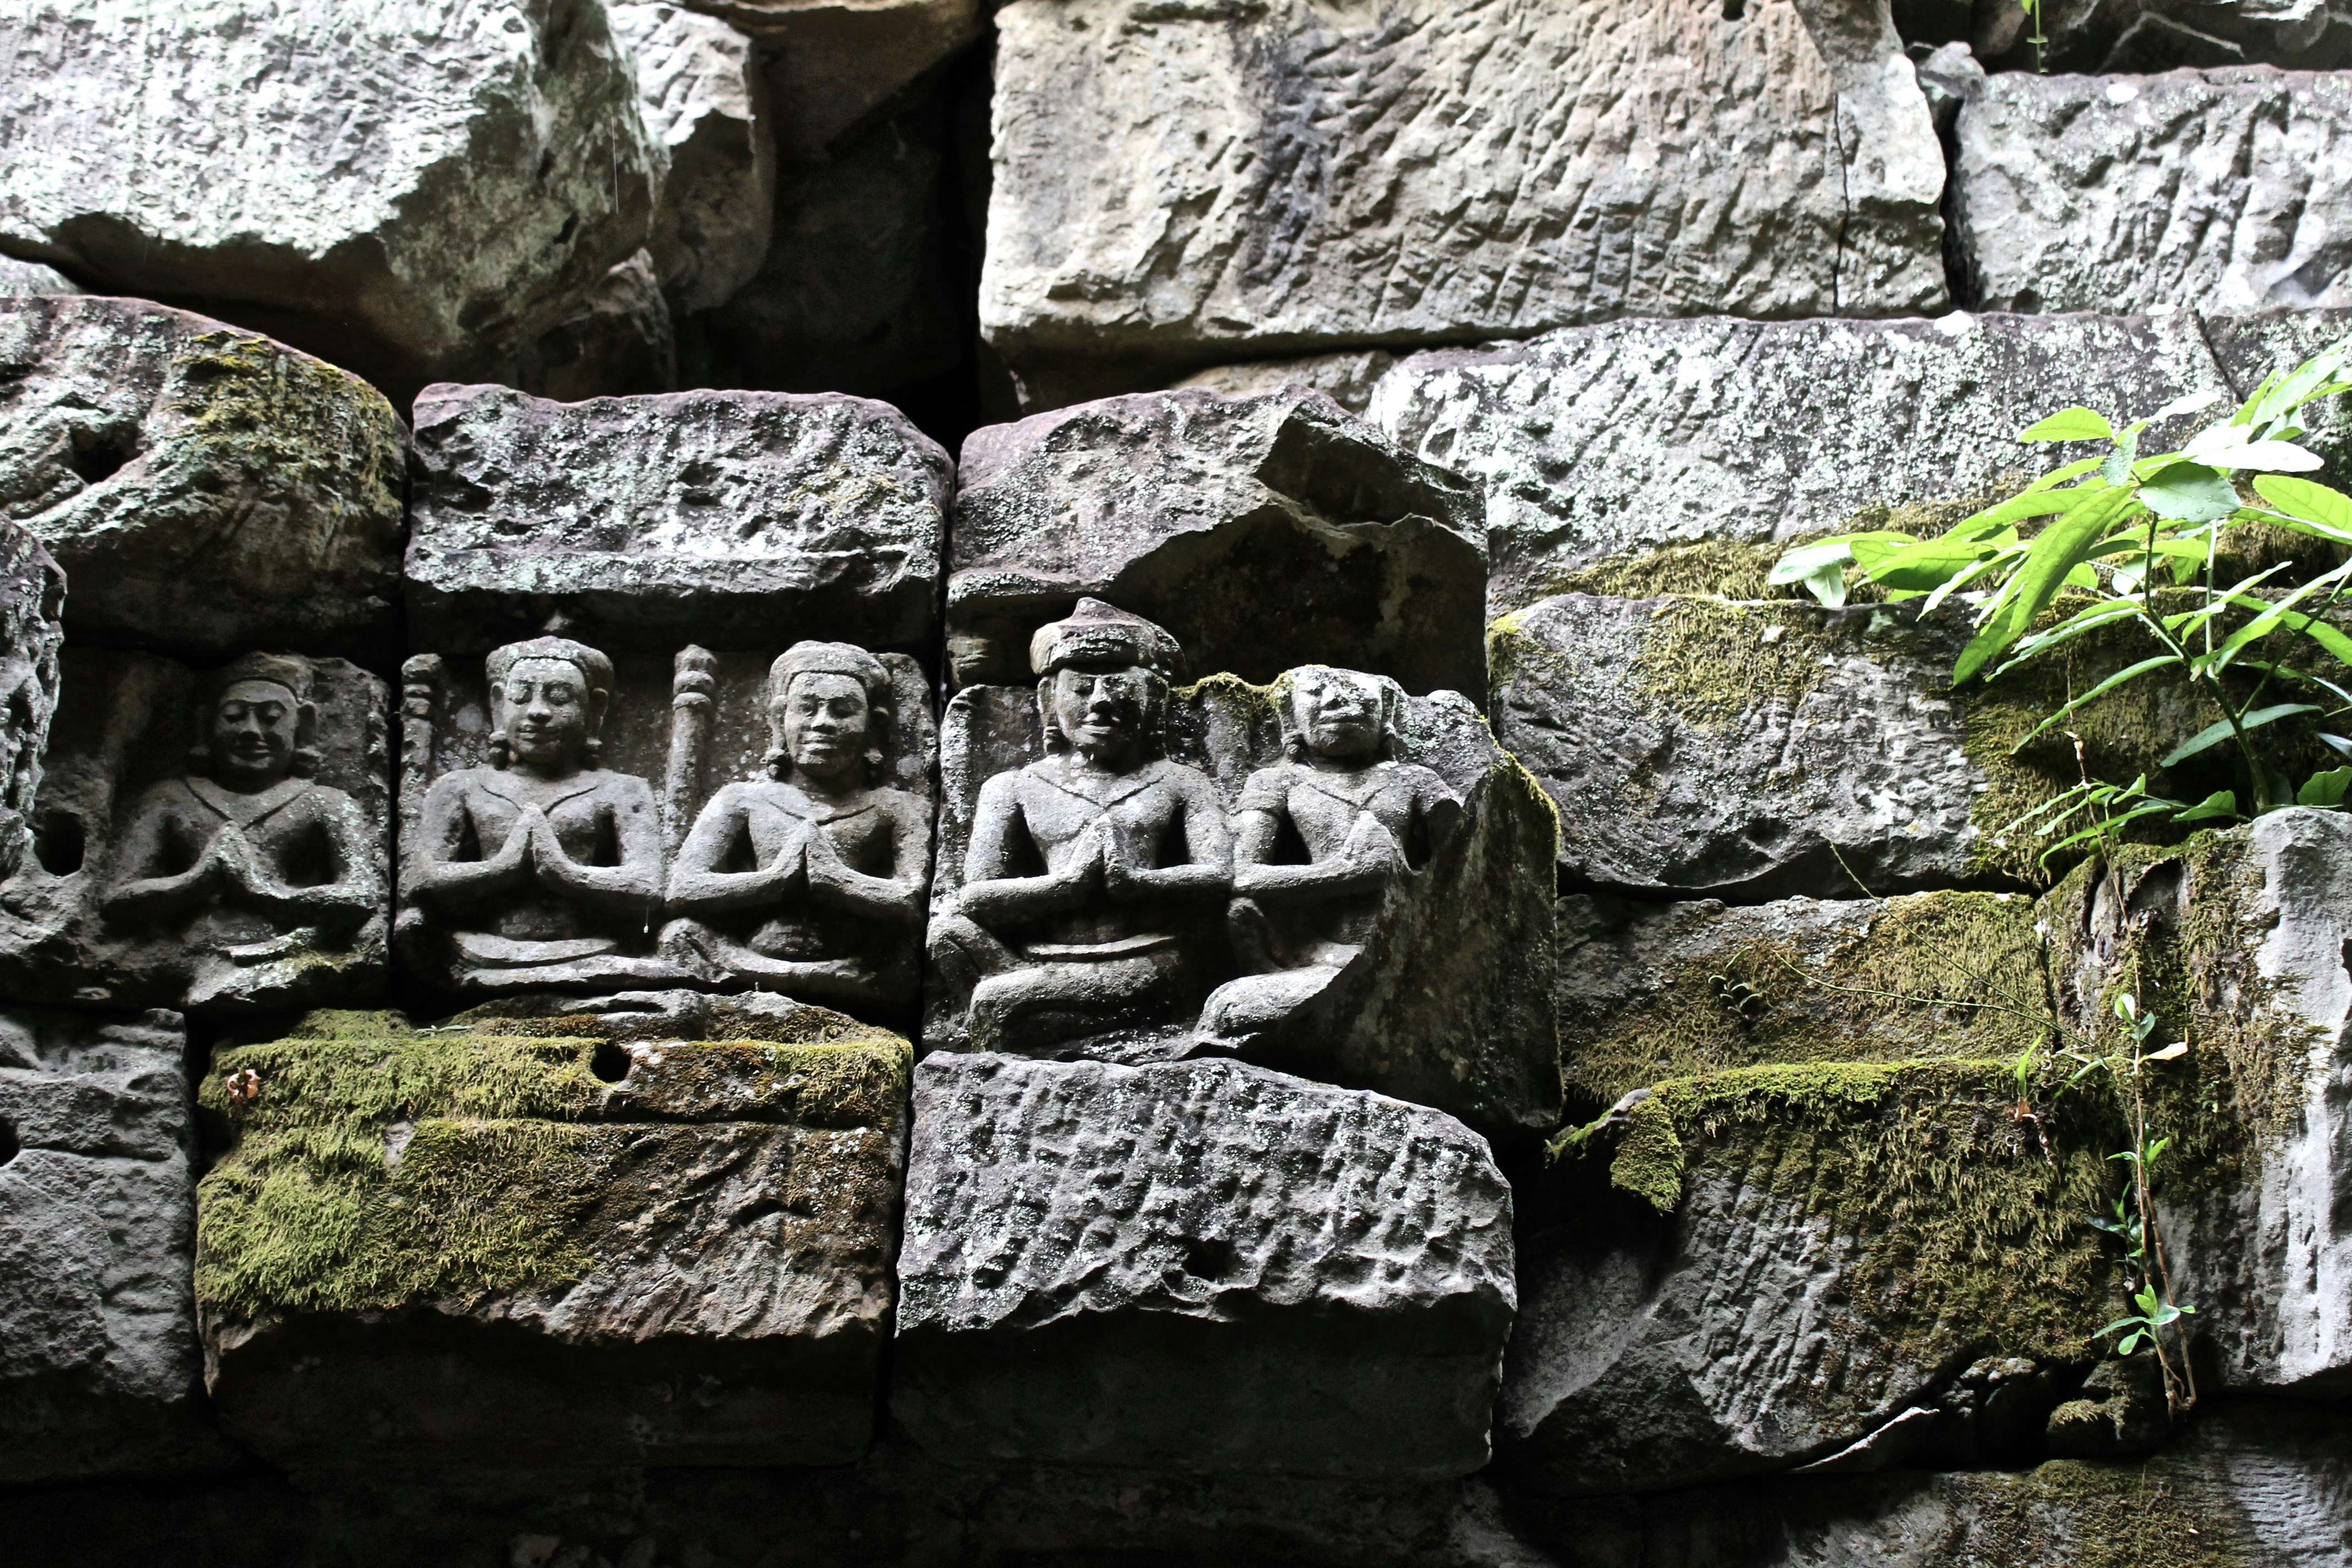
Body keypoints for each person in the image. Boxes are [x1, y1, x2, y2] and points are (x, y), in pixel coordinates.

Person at [929, 599, 1231, 1053]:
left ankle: (1048, 1018)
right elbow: (977, 894)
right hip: (1040, 954)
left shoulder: (1182, 783)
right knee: (945, 933)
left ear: (1153, 698)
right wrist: (1066, 886)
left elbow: (1219, 876)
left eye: (1118, 685)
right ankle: (1063, 1016)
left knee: (994, 1001)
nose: (1102, 702)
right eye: (1083, 688)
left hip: (1146, 953)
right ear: (1049, 700)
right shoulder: (1013, 787)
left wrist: (1136, 883)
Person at [1195, 665, 1459, 1050]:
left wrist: (1404, 873)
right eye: (1317, 693)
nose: (1338, 700)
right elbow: (1242, 877)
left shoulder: (1415, 780)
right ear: (1291, 718)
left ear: (1386, 714)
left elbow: (1462, 862)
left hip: (1405, 949)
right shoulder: (1275, 782)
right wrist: (1343, 873)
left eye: (1359, 693)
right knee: (1230, 1006)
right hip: (1318, 953)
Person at [661, 641, 930, 1013]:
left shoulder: (897, 806)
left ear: (873, 725)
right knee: (679, 936)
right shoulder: (742, 799)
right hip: (747, 959)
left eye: (843, 711)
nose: (822, 723)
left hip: (855, 966)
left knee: (911, 950)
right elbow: (682, 887)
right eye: (806, 708)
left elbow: (911, 898)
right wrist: (774, 881)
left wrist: (837, 881)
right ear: (779, 719)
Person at [399, 636, 676, 992]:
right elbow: (420, 880)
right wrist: (503, 869)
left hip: (591, 952)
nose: (539, 711)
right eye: (522, 696)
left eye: (559, 698)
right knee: (410, 927)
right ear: (498, 704)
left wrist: (565, 873)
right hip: (479, 949)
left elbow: (648, 884)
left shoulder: (622, 789)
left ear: (594, 709)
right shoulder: (461, 787)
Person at [104, 654, 380, 989]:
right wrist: (196, 881)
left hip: (284, 957)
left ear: (302, 726)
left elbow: (361, 897)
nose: (251, 732)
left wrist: (262, 892)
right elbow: (116, 898)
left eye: (271, 718)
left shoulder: (327, 803)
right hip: (177, 957)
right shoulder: (170, 798)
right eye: (234, 717)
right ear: (206, 725)